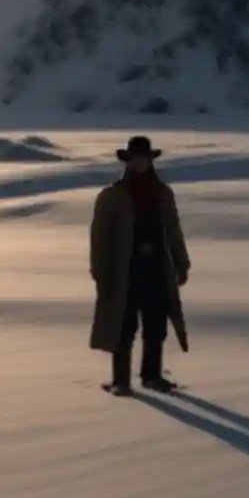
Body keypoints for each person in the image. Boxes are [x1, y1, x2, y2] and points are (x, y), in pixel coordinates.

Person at [89, 136, 191, 396]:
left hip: (156, 267)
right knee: (123, 326)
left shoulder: (162, 194)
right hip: (124, 269)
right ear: (128, 161)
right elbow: (99, 237)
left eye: (143, 159)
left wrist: (181, 262)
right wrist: (100, 270)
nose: (139, 164)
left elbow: (173, 230)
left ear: (150, 160)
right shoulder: (112, 196)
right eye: (135, 159)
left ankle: (152, 376)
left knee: (156, 325)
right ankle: (121, 380)